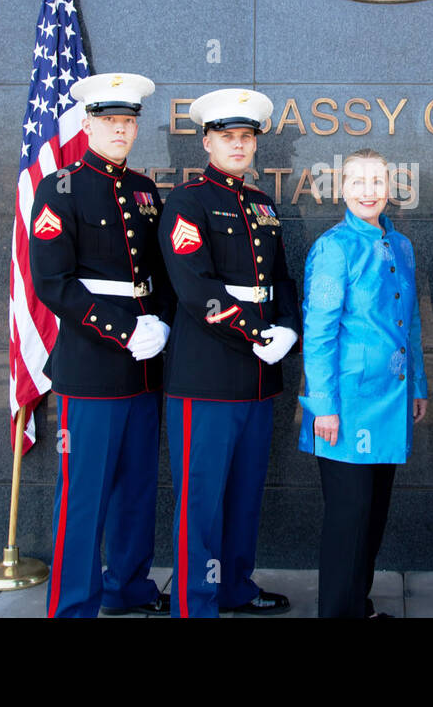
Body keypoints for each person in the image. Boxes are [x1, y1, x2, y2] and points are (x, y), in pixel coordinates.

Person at [28, 72, 174, 618]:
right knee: (84, 498)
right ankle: (72, 606)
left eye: (128, 121)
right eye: (109, 120)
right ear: (87, 124)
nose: (120, 129)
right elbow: (53, 282)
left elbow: (160, 272)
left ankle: (128, 586)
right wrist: (123, 327)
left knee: (137, 490)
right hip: (91, 367)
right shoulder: (60, 187)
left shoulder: (144, 189)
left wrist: (158, 321)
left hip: (144, 368)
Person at [157, 88, 300, 618]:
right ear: (207, 141)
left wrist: (287, 327)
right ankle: (195, 604)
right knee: (202, 503)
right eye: (227, 137)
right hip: (208, 374)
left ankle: (236, 587)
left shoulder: (262, 204)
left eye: (246, 137)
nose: (238, 145)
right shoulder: (187, 202)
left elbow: (280, 278)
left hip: (259, 380)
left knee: (243, 495)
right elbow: (196, 288)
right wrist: (259, 334)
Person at [299, 149, 428, 619]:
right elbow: (318, 331)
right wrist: (323, 406)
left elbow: (410, 322)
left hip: (391, 402)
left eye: (377, 181)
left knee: (371, 522)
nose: (368, 190)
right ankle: (337, 611)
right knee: (347, 522)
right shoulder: (334, 246)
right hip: (347, 406)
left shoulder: (403, 245)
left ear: (391, 188)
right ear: (342, 188)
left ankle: (358, 605)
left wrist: (417, 385)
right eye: (358, 181)